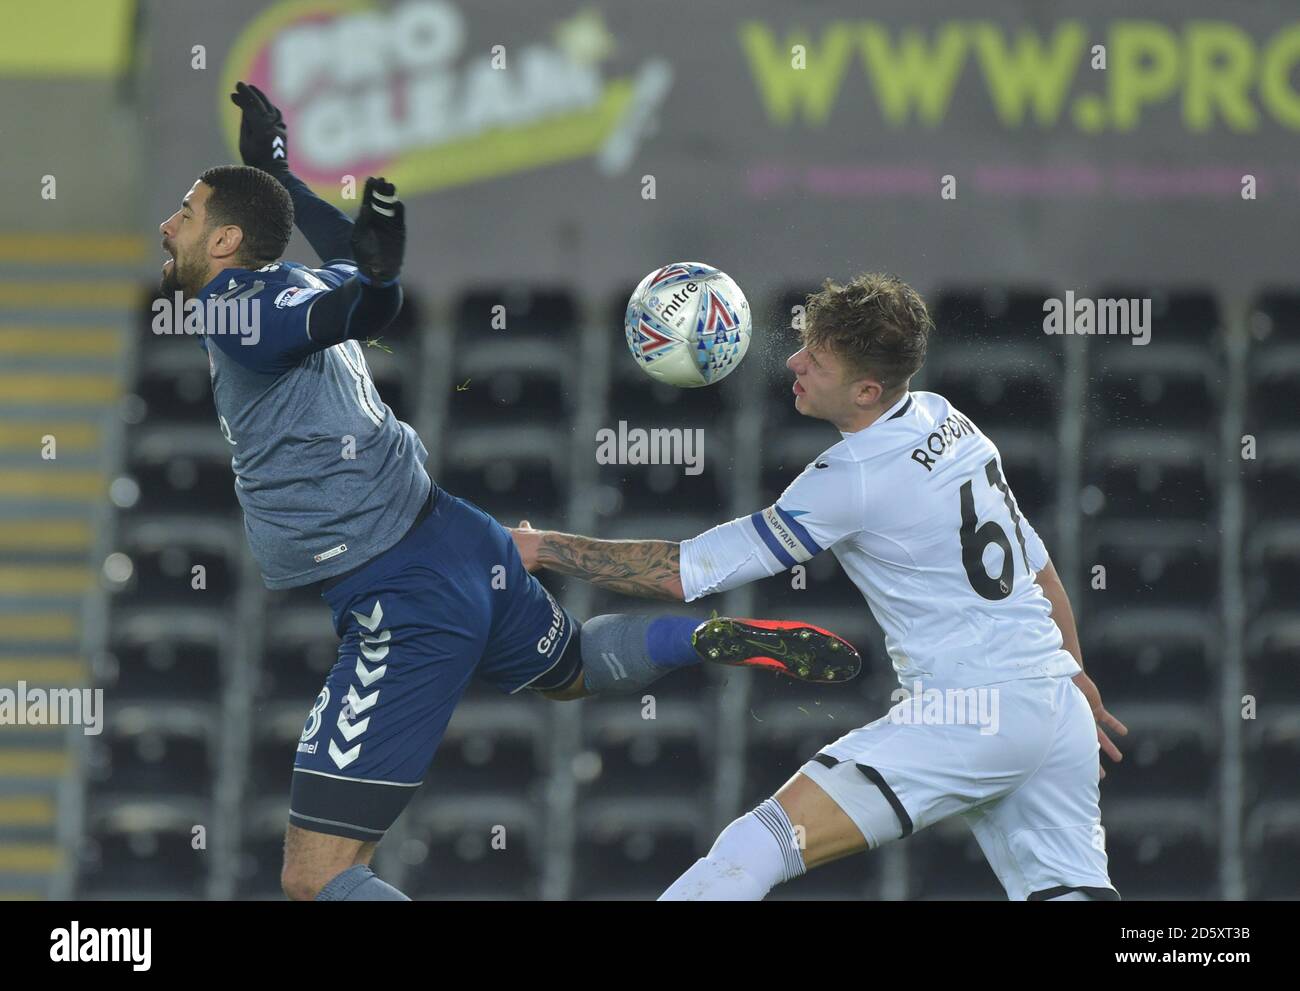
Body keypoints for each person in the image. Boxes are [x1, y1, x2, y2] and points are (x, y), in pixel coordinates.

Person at [154, 81, 861, 901]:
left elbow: (358, 300)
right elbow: (361, 280)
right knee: (569, 668)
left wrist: (372, 279)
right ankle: (695, 638)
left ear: (228, 240)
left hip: (398, 596)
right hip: (460, 540)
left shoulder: (239, 308)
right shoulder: (294, 285)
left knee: (316, 879)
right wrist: (281, 173)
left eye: (186, 211)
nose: (168, 224)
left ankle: (696, 638)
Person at [511, 273, 1128, 900]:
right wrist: (1070, 672)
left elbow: (684, 571)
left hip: (972, 715)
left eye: (817, 360)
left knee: (757, 846)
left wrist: (544, 549)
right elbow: (1037, 565)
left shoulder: (852, 478)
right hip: (1054, 708)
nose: (794, 361)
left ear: (866, 390)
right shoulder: (948, 419)